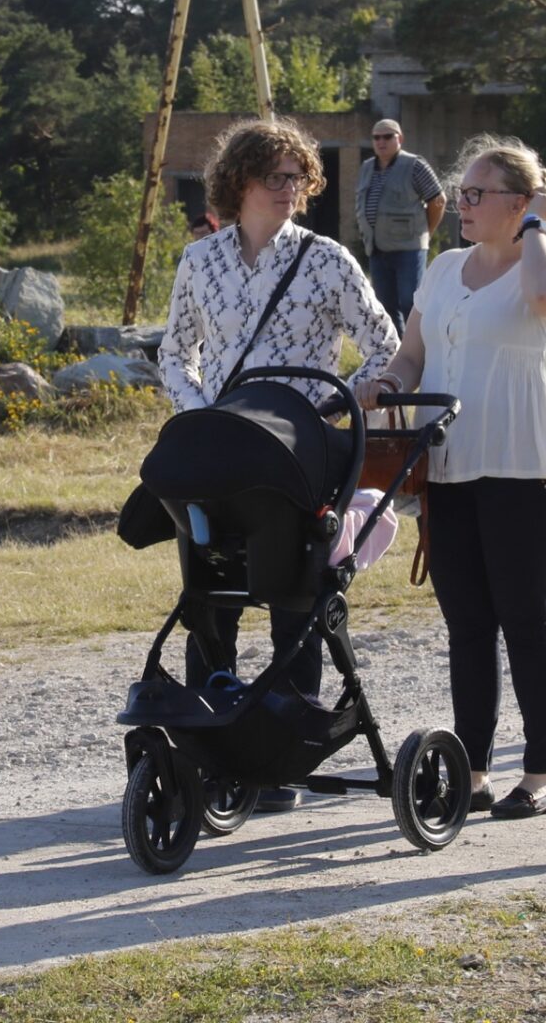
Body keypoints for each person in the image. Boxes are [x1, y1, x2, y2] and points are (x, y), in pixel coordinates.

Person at [160, 117, 400, 811]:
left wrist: (346, 401)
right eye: (277, 177)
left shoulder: (326, 259)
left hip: (302, 453)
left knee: (295, 604)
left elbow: (383, 346)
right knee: (210, 601)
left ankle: (283, 754)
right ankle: (212, 751)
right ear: (238, 182)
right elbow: (175, 354)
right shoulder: (199, 261)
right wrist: (199, 415)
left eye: (300, 176)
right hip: (222, 450)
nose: (292, 188)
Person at [361, 134, 546, 820]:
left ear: (520, 204)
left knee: (524, 619)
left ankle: (543, 775)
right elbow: (414, 354)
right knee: (468, 626)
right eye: (462, 192)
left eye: (478, 194)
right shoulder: (445, 266)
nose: (462, 203)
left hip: (526, 465)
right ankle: (476, 770)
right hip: (449, 464)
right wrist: (385, 384)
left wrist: (539, 226)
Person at [355, 118, 445, 333]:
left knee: (411, 302)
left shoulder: (415, 165)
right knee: (385, 306)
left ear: (400, 139)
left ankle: (421, 352)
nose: (381, 141)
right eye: (376, 137)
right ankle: (397, 355)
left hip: (409, 247)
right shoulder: (367, 167)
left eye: (387, 136)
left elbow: (438, 200)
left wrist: (425, 232)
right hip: (377, 248)